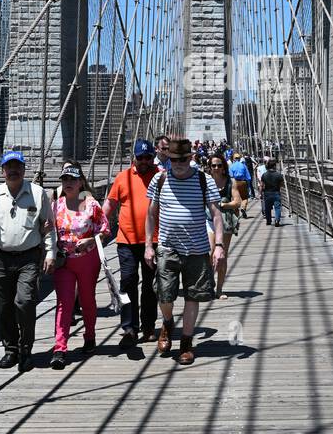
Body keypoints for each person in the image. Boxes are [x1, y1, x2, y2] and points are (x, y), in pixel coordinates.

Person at [0, 150, 56, 373]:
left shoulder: (37, 193)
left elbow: (49, 225)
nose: (13, 171)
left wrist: (51, 253)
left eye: (17, 166)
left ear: (24, 169)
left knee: (24, 302)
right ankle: (11, 349)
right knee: (3, 307)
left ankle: (26, 349)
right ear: (2, 170)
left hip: (28, 257)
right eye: (9, 167)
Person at [144, 136, 225, 366]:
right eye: (173, 160)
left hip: (198, 250)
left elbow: (216, 215)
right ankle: (168, 322)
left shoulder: (204, 180)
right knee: (164, 294)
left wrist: (218, 246)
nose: (177, 164)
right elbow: (150, 214)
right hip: (168, 247)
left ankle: (186, 343)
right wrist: (148, 245)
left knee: (193, 296)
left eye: (181, 159)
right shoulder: (159, 179)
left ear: (190, 158)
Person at [49, 161, 109, 370]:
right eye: (65, 179)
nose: (68, 182)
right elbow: (48, 231)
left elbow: (105, 229)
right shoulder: (56, 205)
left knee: (86, 300)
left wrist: (92, 240)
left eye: (73, 179)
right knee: (64, 303)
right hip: (64, 261)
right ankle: (60, 348)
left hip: (87, 259)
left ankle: (90, 336)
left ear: (81, 182)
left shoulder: (90, 204)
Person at [103, 139, 160, 354]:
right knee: (127, 283)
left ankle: (148, 326)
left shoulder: (161, 176)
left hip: (153, 241)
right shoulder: (123, 177)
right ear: (133, 158)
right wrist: (96, 225)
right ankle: (129, 328)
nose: (144, 161)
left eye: (148, 157)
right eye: (140, 158)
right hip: (126, 240)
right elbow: (110, 204)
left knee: (150, 286)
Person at [208, 152, 241, 299]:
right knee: (209, 252)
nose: (216, 168)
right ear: (209, 167)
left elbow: (238, 202)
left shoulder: (230, 182)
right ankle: (209, 284)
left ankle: (219, 289)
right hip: (208, 220)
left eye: (219, 165)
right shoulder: (205, 181)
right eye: (213, 165)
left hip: (225, 221)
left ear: (223, 167)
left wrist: (224, 204)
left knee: (222, 255)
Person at [260, 158, 284, 226]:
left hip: (267, 193)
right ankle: (277, 220)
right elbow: (282, 184)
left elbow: (261, 185)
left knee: (267, 208)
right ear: (274, 166)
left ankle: (268, 220)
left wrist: (261, 193)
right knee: (277, 208)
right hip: (276, 193)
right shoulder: (278, 175)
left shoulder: (264, 175)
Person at [229, 151, 251, 218]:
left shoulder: (231, 166)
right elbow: (248, 177)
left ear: (233, 159)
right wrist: (248, 185)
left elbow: (230, 176)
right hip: (243, 182)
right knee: (244, 198)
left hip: (235, 182)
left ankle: (236, 214)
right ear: (239, 158)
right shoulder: (243, 165)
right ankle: (243, 208)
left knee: (235, 199)